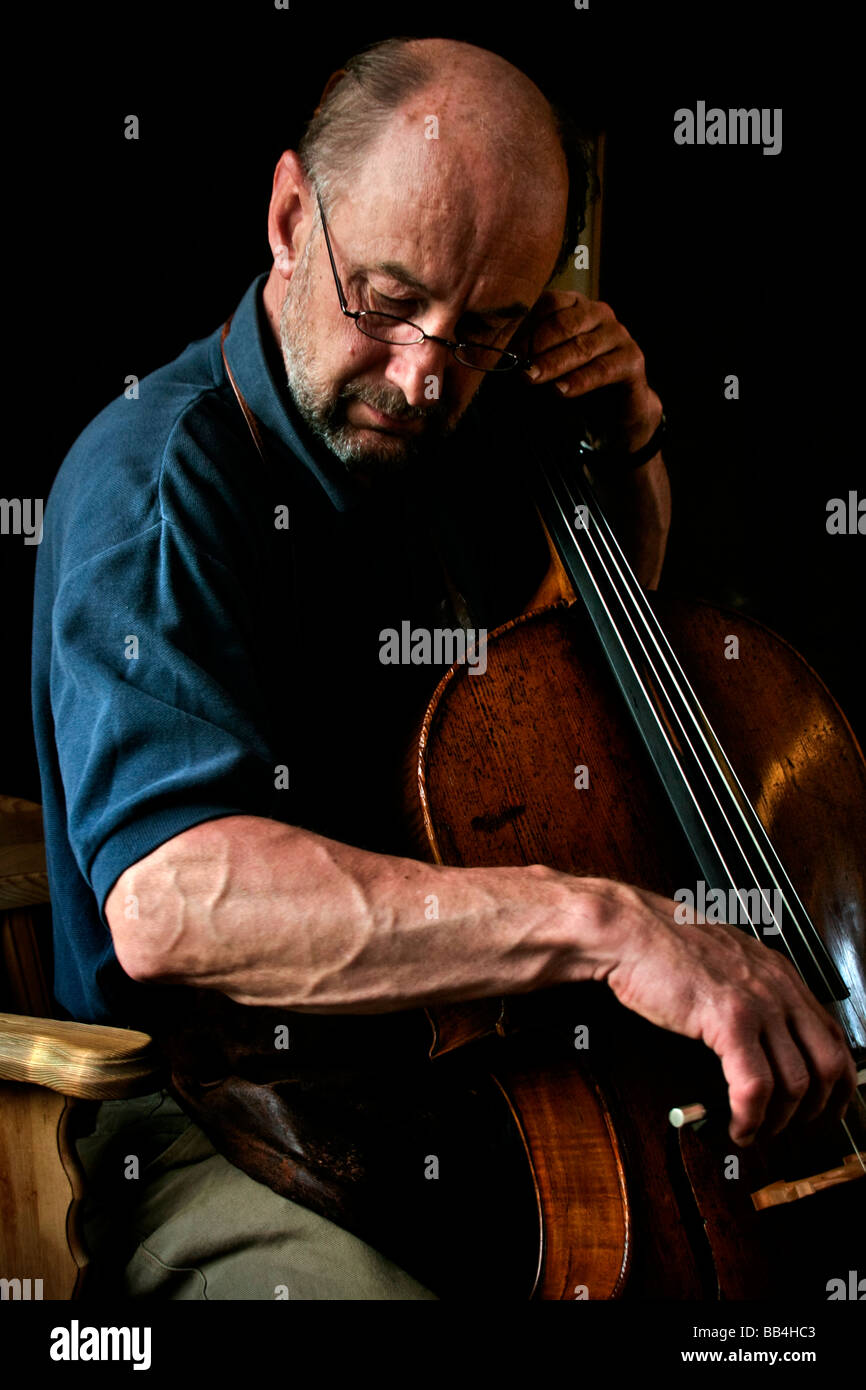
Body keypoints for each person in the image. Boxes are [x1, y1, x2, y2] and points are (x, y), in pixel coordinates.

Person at [32, 36, 854, 1300]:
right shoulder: (158, 484)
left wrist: (624, 447)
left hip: (477, 1065)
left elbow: (587, 652)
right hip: (230, 1112)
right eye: (385, 298)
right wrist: (603, 921)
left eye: (484, 327)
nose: (421, 374)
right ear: (291, 215)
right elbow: (173, 901)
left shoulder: (443, 439)